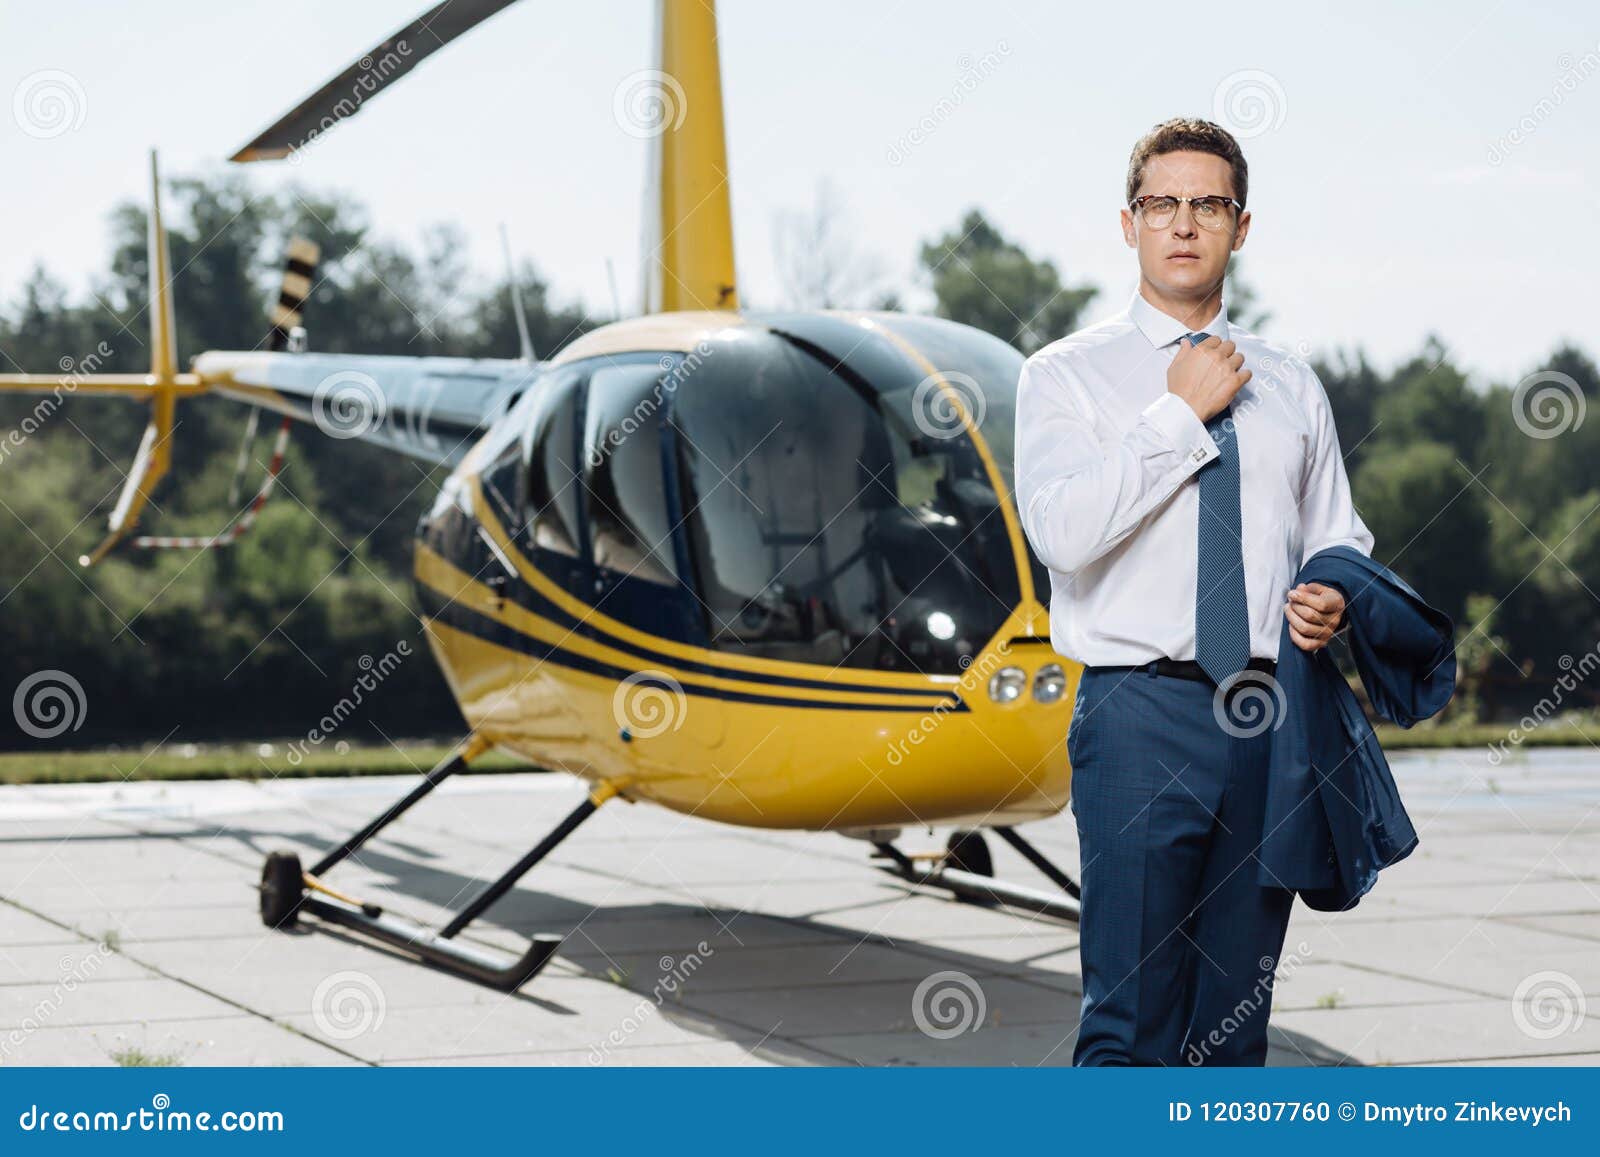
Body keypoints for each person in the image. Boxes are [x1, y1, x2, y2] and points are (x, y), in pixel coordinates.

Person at [1013, 117, 1373, 1066]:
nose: (1184, 224)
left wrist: (1332, 591)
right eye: (1161, 204)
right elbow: (1062, 532)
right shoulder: (1064, 377)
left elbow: (1339, 533)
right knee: (1129, 1023)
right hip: (1139, 710)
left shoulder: (1292, 383)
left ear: (1240, 227)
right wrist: (1179, 414)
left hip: (1269, 712)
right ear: (1128, 224)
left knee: (1232, 1030)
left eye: (1207, 204)